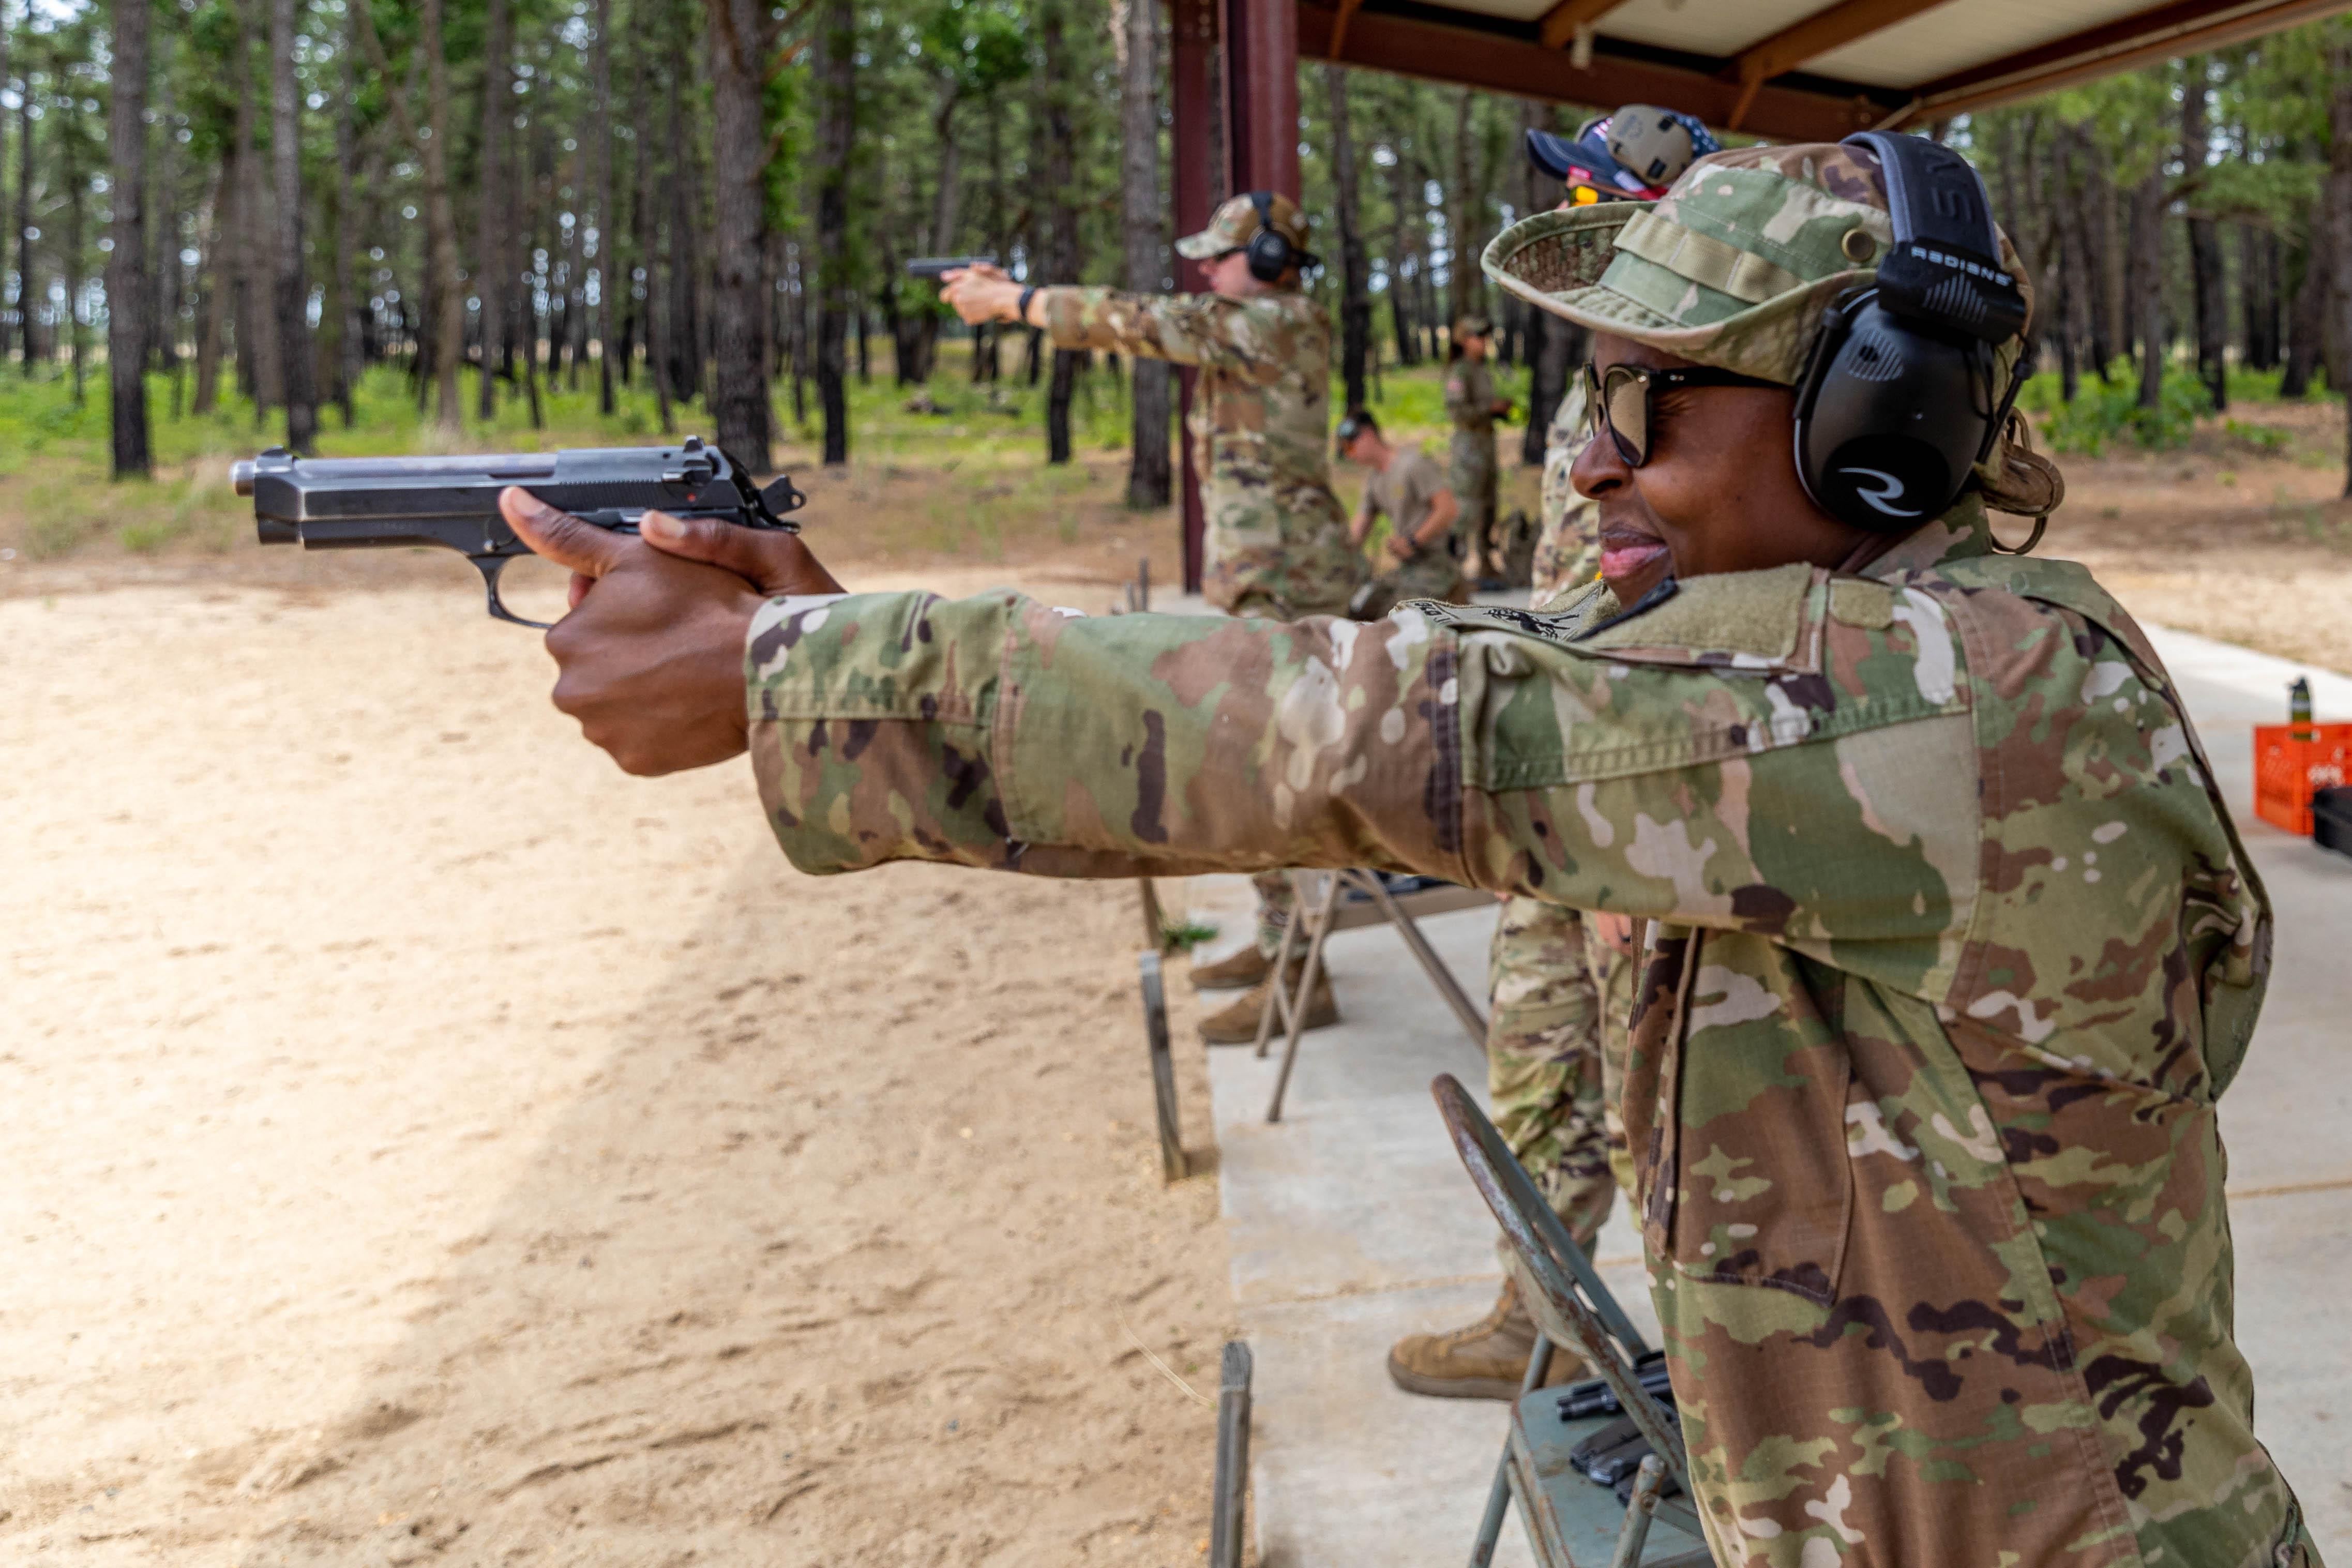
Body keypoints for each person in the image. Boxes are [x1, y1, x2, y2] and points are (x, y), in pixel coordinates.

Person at [496, 138, 2316, 1566]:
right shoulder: (1828, 671)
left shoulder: (1958, 696)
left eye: (1644, 397)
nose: (1588, 462)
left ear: (1875, 419)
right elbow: (1432, 698)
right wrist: (832, 638)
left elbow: (1377, 729)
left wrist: (811, 677)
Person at [1390, 110, 1710, 1403]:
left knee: (1666, 1107)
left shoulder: (1715, 366)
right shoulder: (1605, 357)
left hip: (1641, 779)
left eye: (1587, 186)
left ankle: (1728, 1401)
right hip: (1554, 768)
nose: (1565, 208)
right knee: (1533, 1047)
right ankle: (1534, 1312)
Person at [939, 193, 1365, 1044]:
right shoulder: (1251, 325)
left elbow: (1142, 320)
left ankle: (1297, 970)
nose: (1206, 268)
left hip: (1279, 577)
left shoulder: (1275, 320)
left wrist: (1015, 301)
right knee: (1255, 766)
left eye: (1222, 255)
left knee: (1266, 770)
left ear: (1274, 259)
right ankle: (1281, 942)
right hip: (1266, 573)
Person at [1336, 408, 1468, 619]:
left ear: (1369, 435)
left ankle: (1456, 594)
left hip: (1435, 564)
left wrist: (1413, 541)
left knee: (1393, 620)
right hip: (1408, 568)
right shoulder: (1375, 481)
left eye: (1351, 445)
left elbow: (1448, 509)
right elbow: (1359, 531)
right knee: (1360, 613)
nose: (1350, 454)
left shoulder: (1412, 465)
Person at [1443, 316, 1511, 589]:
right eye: (1477, 338)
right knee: (1466, 508)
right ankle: (1453, 570)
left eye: (1484, 338)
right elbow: (1457, 412)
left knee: (1488, 505)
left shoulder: (1481, 369)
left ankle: (1484, 564)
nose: (1482, 344)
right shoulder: (1460, 372)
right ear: (1463, 340)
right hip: (1468, 449)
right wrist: (1490, 409)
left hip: (1485, 445)